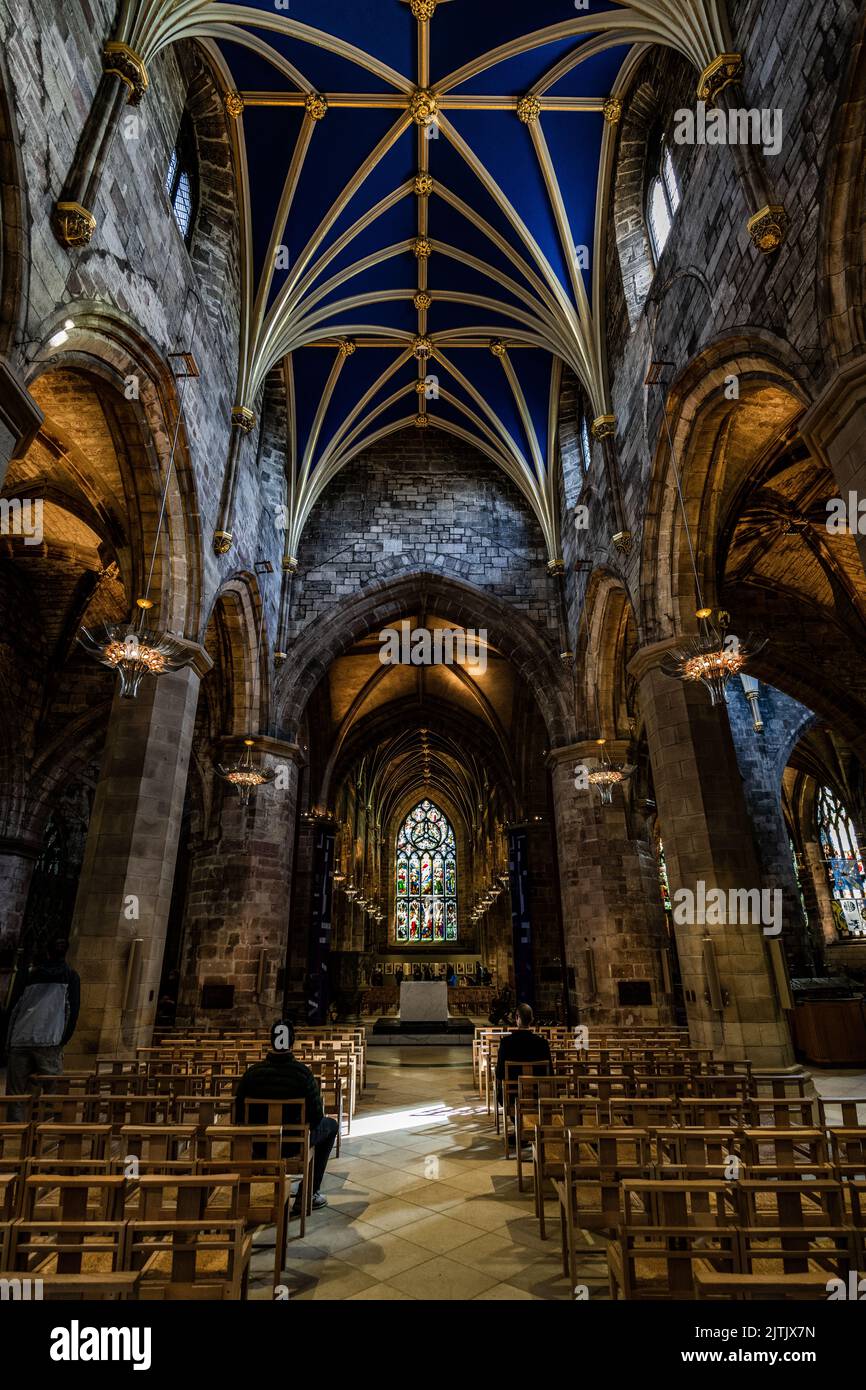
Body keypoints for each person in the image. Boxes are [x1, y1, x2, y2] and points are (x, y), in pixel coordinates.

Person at [235, 1018, 338, 1215]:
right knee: (330, 1125)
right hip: (294, 1144)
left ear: (270, 1041)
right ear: (292, 1043)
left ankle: (242, 1201)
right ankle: (307, 1194)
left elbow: (239, 1115)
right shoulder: (303, 1074)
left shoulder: (252, 1074)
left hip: (259, 1144)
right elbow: (316, 1117)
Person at [5, 938, 80, 1122]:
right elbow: (73, 1011)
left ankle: (15, 1130)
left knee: (16, 1093)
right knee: (52, 1090)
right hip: (50, 1038)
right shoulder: (70, 976)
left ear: (46, 952)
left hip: (21, 1036)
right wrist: (63, 1039)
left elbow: (13, 1007)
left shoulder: (29, 975)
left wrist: (8, 1039)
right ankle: (46, 1128)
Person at [494, 1002, 551, 1106]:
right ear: (532, 1019)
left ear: (516, 1018)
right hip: (538, 1095)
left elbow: (500, 1073)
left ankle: (515, 1116)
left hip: (512, 1096)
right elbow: (550, 1073)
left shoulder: (506, 1043)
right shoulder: (542, 1043)